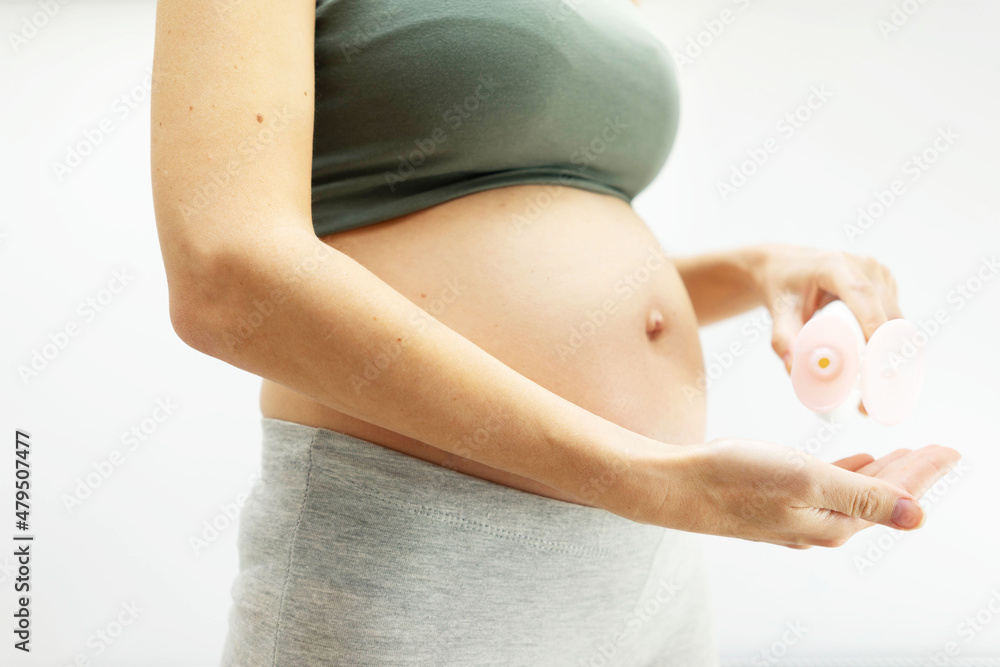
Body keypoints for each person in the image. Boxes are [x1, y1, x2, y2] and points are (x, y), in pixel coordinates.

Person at [149, 0, 961, 664]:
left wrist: (753, 268)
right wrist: (655, 479)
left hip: (654, 561)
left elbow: (530, 269)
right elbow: (225, 275)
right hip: (423, 548)